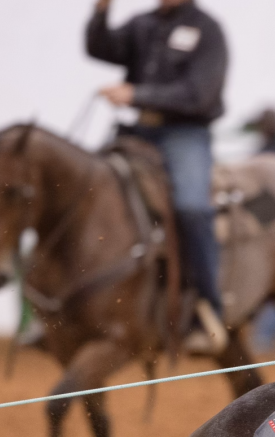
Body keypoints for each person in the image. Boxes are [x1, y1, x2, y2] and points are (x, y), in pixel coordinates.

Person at [87, 0, 229, 353]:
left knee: (192, 207)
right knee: (90, 191)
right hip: (138, 132)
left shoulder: (207, 30)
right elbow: (100, 47)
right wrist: (101, 13)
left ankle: (207, 306)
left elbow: (200, 94)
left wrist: (137, 94)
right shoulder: (142, 24)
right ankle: (75, 303)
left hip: (186, 134)